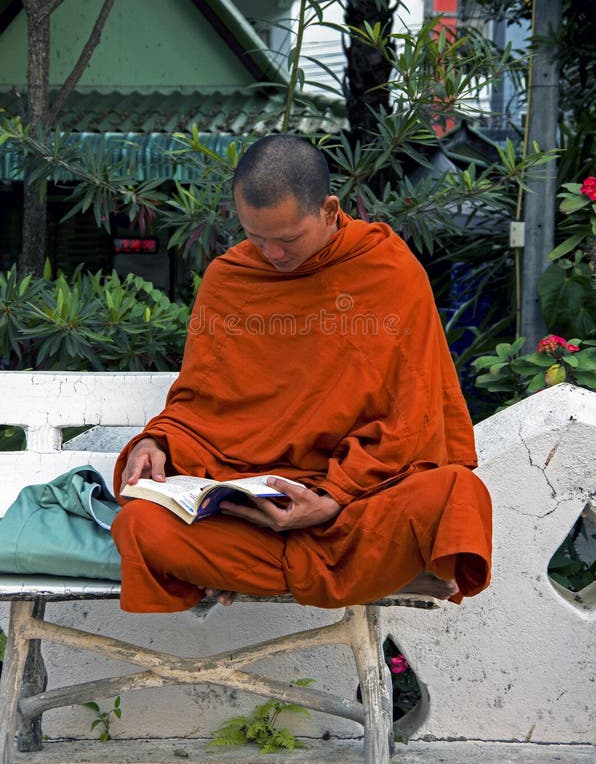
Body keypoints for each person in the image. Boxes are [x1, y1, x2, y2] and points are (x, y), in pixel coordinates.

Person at [111, 134, 492, 613]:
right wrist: (157, 443)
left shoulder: (387, 272)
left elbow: (411, 422)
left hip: (350, 506)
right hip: (250, 507)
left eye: (288, 238)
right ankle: (369, 572)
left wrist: (331, 498)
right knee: (140, 525)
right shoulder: (231, 279)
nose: (272, 253)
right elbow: (199, 403)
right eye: (255, 236)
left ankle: (249, 570)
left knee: (453, 494)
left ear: (330, 210)